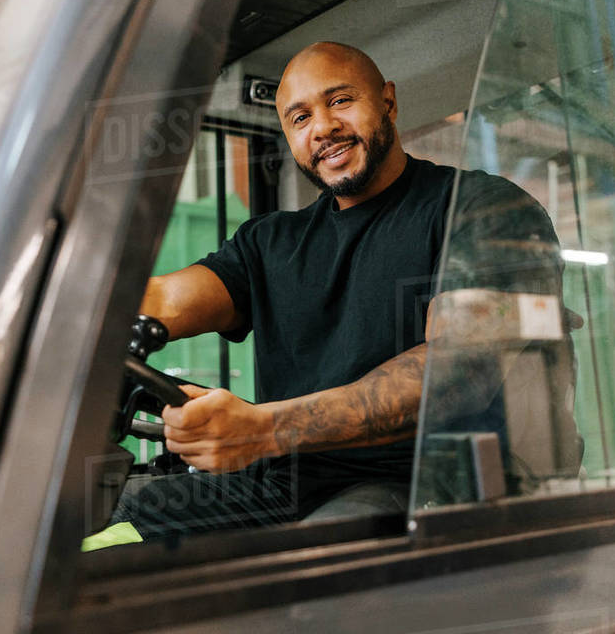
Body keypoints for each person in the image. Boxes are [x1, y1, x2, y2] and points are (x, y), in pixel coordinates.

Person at [107, 41, 565, 540]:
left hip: (420, 486)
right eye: (299, 118)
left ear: (387, 102)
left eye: (340, 101)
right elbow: (165, 301)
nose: (321, 127)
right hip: (279, 486)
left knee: (314, 577)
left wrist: (264, 429)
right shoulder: (269, 241)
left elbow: (458, 372)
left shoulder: (480, 208)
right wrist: (73, 319)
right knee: (89, 528)